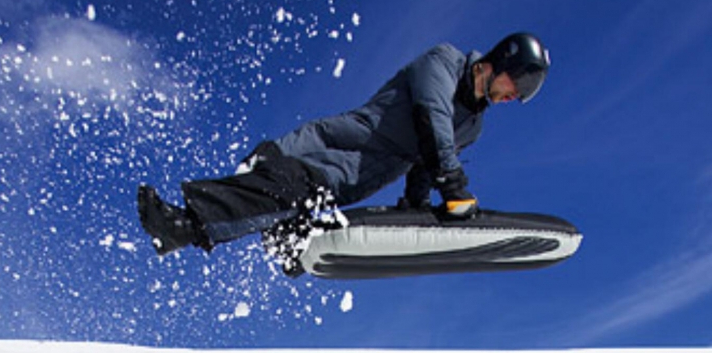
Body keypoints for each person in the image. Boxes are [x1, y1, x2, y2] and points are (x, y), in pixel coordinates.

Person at [138, 32, 551, 268]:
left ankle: (280, 236)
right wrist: (455, 188)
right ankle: (185, 223)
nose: (514, 96)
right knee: (285, 184)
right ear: (501, 63)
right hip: (339, 146)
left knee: (294, 199)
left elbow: (428, 160)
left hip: (358, 176)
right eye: (518, 85)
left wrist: (417, 203)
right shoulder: (443, 62)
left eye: (523, 94)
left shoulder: (473, 125)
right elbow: (431, 118)